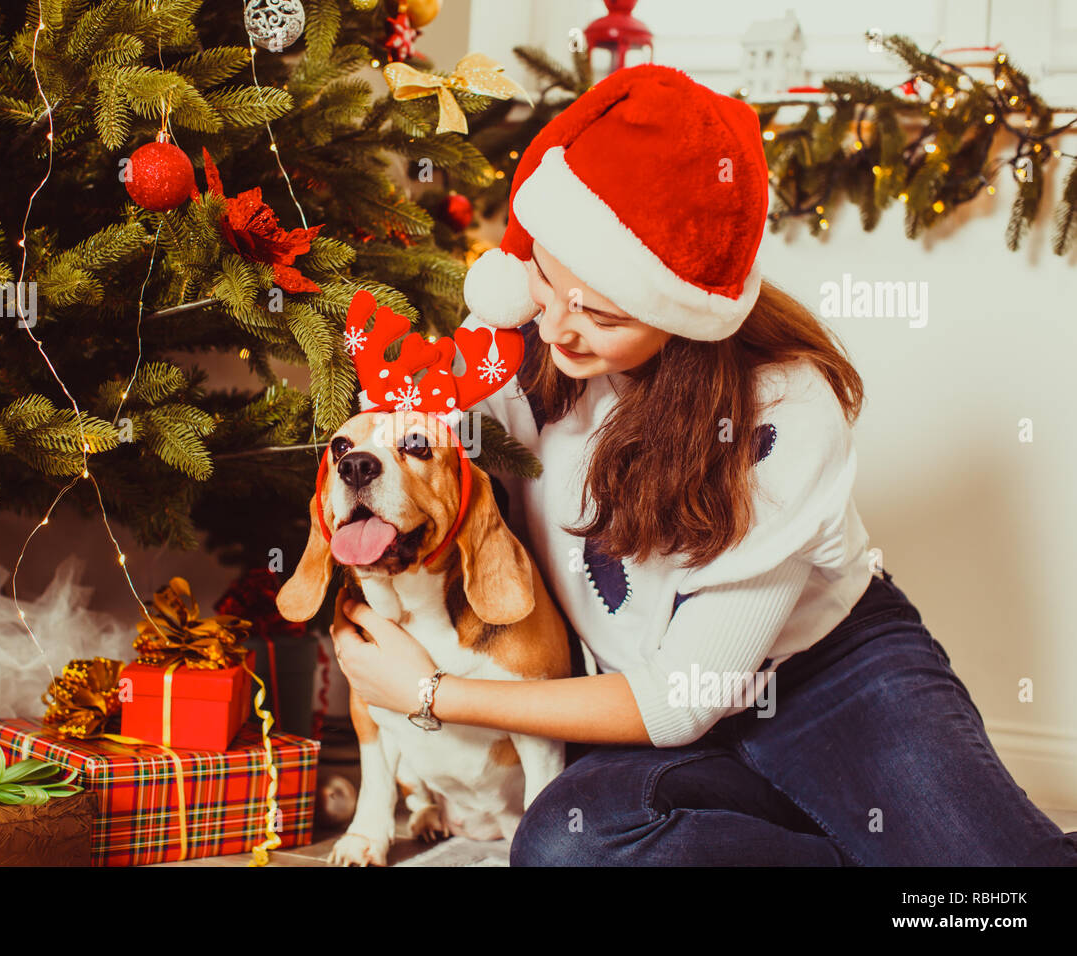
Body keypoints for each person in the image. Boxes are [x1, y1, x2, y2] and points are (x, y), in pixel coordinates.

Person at [328, 64, 1076, 866]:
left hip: (828, 678)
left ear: (682, 317)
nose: (561, 328)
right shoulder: (515, 334)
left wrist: (431, 695)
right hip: (635, 706)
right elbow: (419, 478)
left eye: (605, 314)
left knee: (996, 896)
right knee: (561, 852)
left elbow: (681, 702)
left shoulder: (783, 409)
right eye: (547, 281)